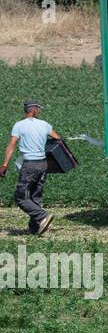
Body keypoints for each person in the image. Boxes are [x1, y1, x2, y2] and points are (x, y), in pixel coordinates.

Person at [0, 100, 59, 236]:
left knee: (20, 197)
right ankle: (35, 229)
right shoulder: (44, 124)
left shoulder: (19, 125)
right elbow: (57, 139)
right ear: (34, 110)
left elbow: (12, 145)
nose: (39, 111)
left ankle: (42, 216)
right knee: (35, 196)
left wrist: (4, 165)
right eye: (38, 109)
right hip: (43, 164)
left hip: (29, 165)